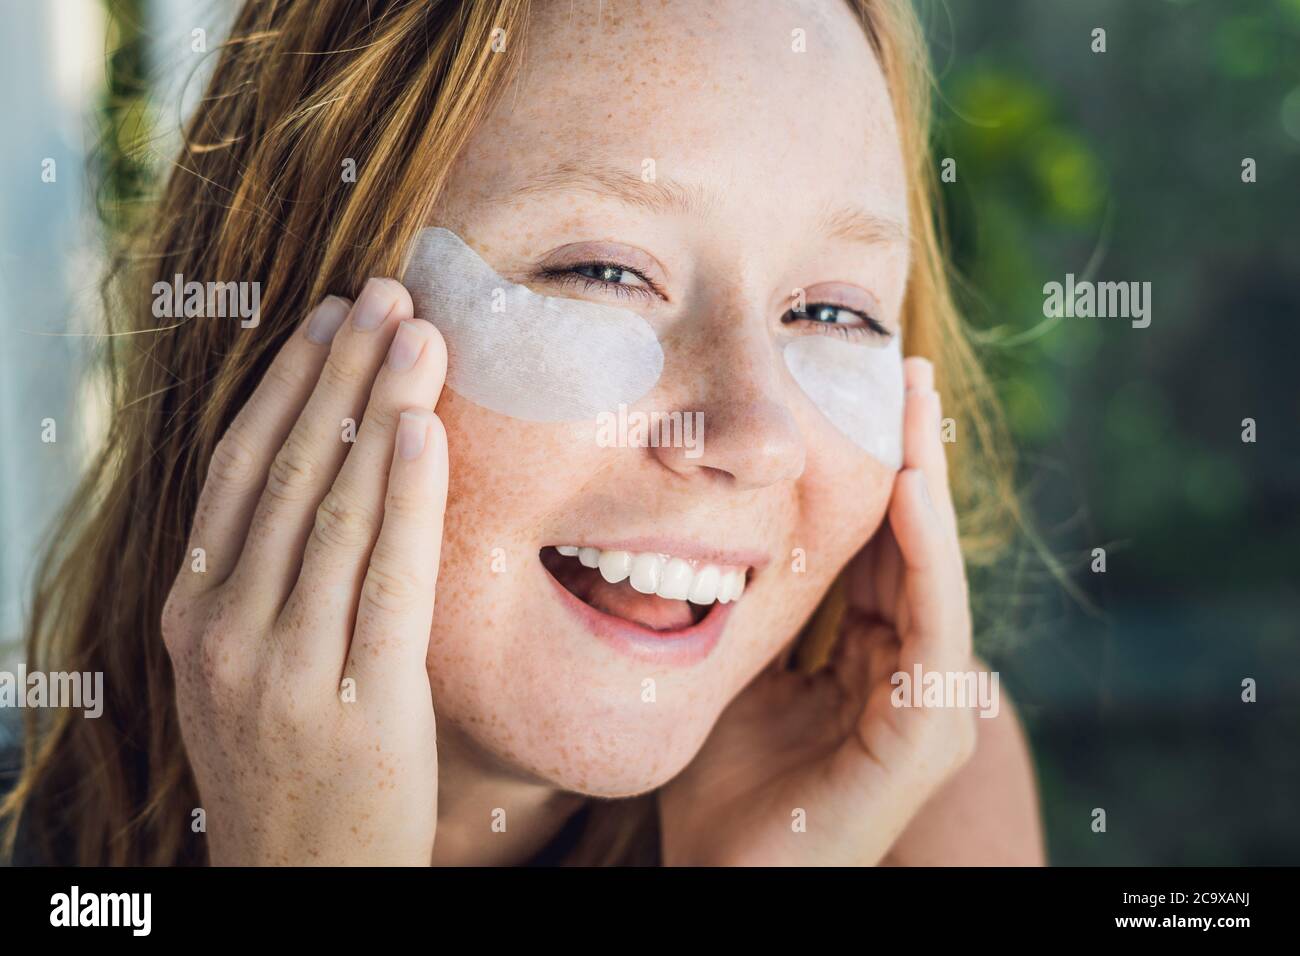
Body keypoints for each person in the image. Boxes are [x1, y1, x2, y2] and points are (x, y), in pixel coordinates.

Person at [1, 0, 1043, 866]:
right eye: (604, 272)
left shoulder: (913, 786)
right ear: (295, 305)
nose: (756, 433)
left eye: (830, 311)